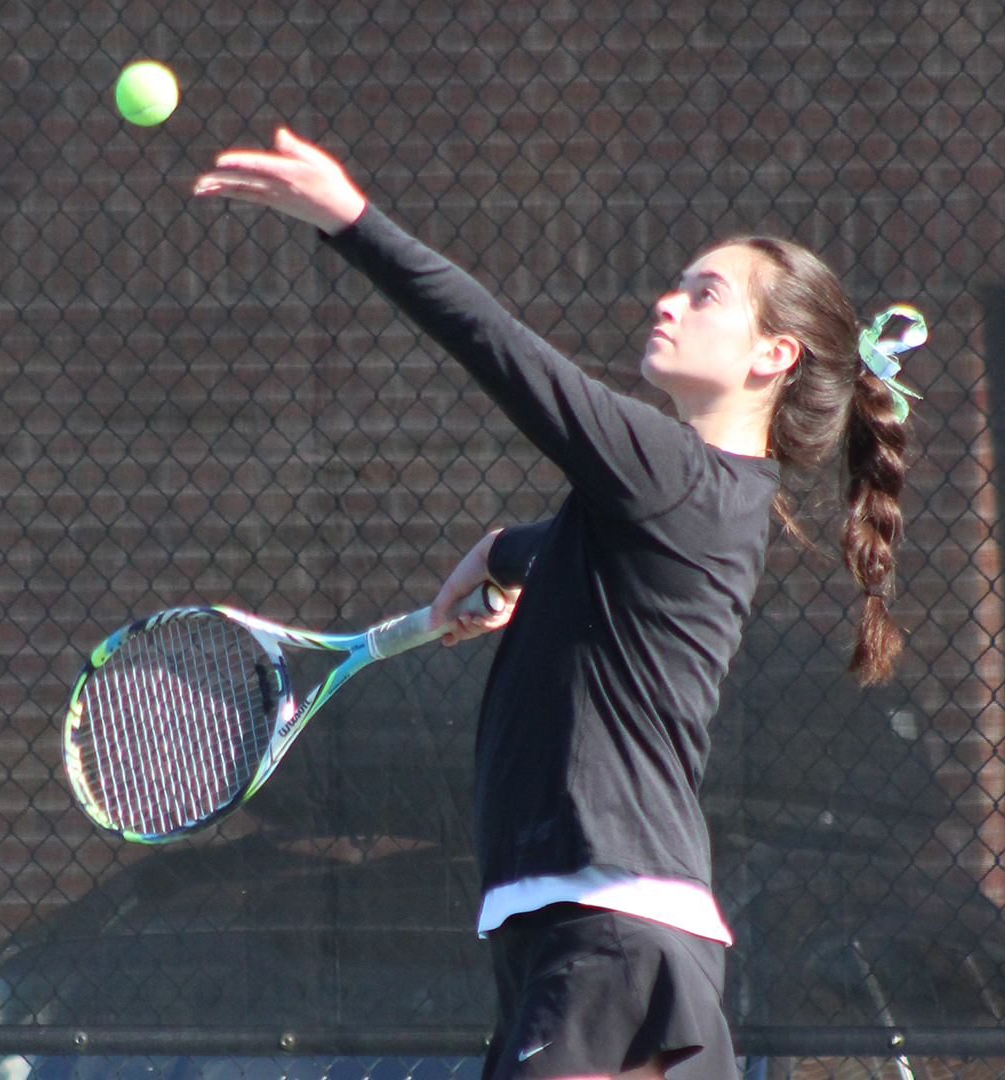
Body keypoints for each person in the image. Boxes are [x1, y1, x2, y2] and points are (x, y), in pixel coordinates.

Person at [193, 127, 919, 1080]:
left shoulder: (671, 475)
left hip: (610, 934)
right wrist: (498, 556)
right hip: (602, 932)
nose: (669, 300)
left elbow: (506, 354)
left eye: (705, 294)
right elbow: (572, 554)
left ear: (773, 354)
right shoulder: (705, 502)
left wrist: (349, 219)